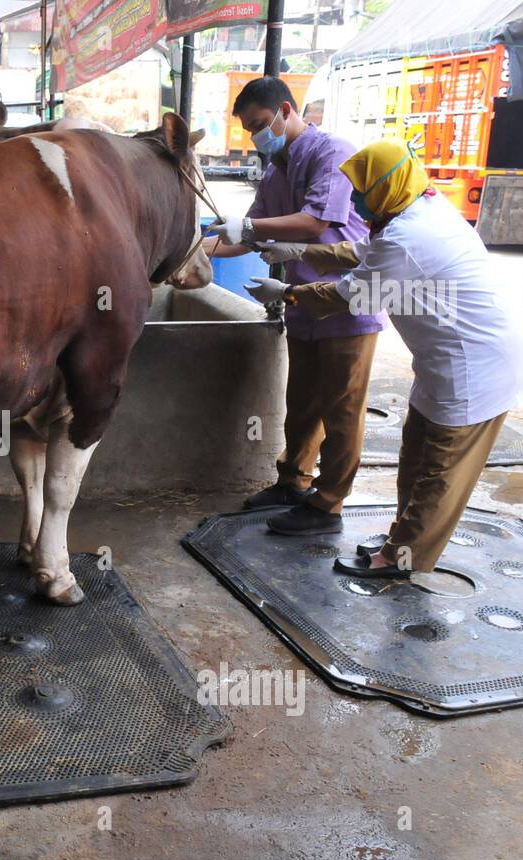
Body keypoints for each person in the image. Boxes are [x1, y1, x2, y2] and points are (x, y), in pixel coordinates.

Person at [245, 140, 523, 579]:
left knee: (440, 471)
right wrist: (297, 251)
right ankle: (402, 536)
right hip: (442, 360)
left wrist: (286, 292)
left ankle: (403, 558)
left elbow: (351, 294)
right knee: (414, 453)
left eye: (361, 190)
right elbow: (361, 252)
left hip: (474, 367)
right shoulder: (414, 210)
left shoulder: (411, 236)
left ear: (384, 186)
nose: (355, 200)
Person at [207, 77, 386, 536]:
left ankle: (328, 505)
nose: (256, 136)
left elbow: (314, 222)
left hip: (349, 298)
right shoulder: (274, 171)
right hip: (301, 300)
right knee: (302, 400)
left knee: (342, 408)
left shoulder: (333, 152)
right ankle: (293, 481)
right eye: (249, 129)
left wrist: (245, 225)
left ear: (286, 110)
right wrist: (195, 248)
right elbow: (246, 235)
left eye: (261, 124)